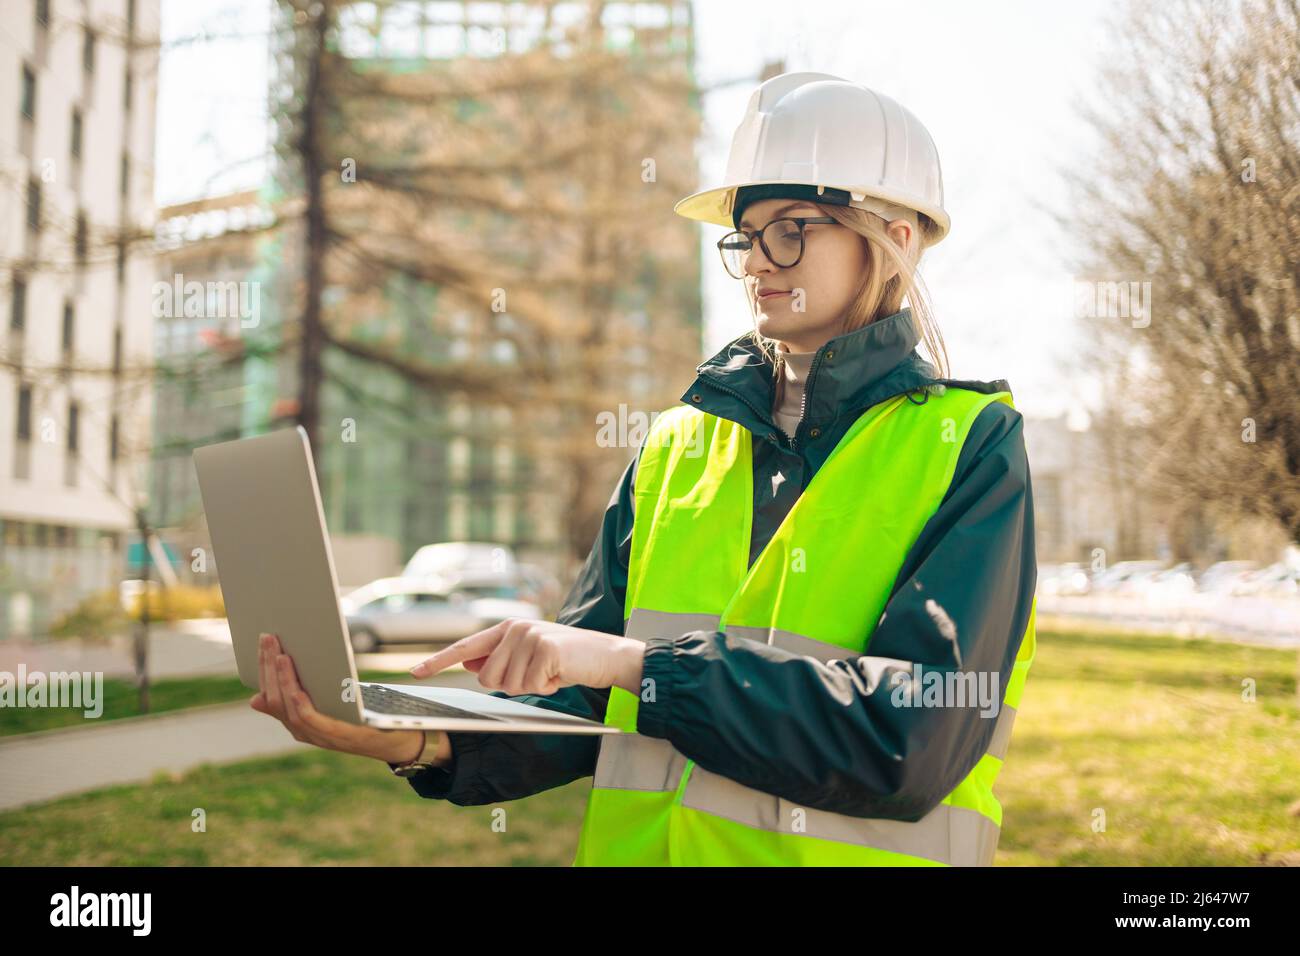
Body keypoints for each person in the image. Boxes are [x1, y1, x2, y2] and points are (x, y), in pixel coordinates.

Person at [251, 72, 1037, 867]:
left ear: (896, 238)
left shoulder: (970, 445)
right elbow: (583, 696)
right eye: (747, 235)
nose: (760, 260)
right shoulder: (675, 447)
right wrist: (416, 736)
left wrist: (640, 667)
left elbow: (910, 737)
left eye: (793, 228)